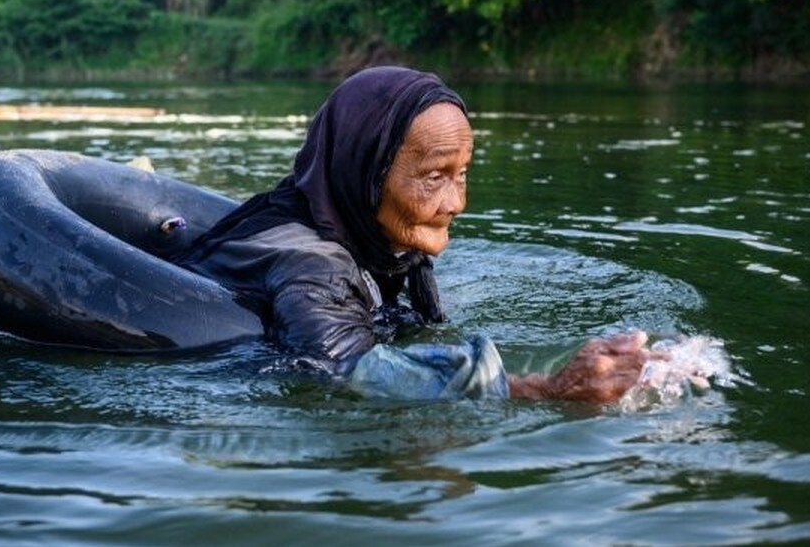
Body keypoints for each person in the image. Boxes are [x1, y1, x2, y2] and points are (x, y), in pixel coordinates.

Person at [177, 66, 652, 403]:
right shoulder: (313, 266)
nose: (456, 202)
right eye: (433, 177)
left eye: (461, 174)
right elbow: (346, 373)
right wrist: (544, 390)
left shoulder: (365, 231)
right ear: (366, 173)